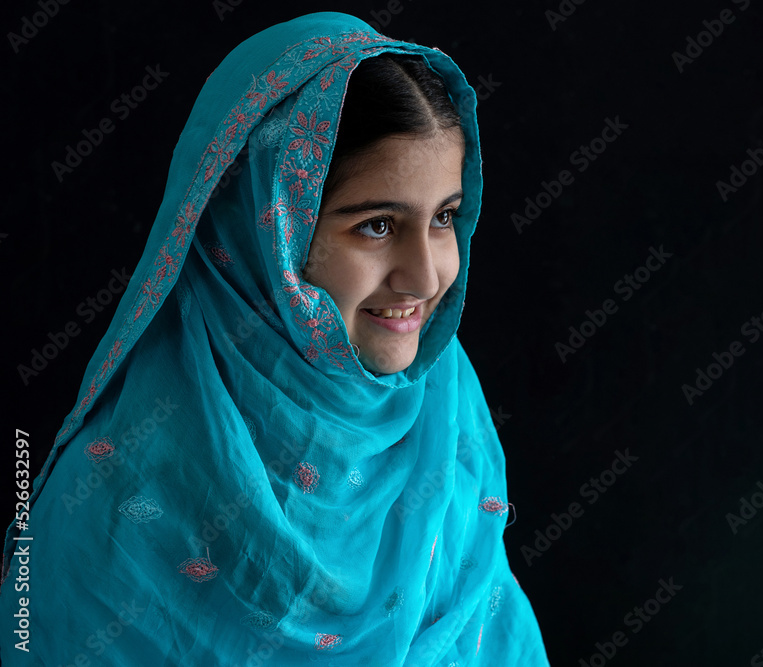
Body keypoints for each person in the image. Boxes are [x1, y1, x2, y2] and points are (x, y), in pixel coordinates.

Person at [0, 12, 549, 665]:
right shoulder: (112, 504)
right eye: (376, 225)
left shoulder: (443, 416)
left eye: (444, 218)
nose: (425, 276)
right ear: (262, 232)